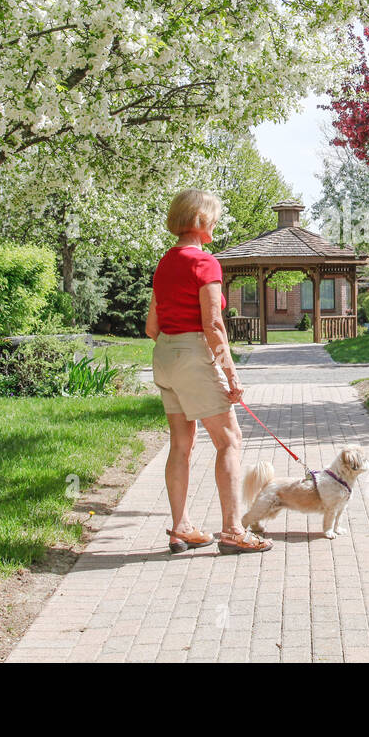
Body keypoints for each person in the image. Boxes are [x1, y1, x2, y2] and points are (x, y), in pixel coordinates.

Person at [146, 188, 272, 554]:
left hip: (165, 355)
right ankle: (233, 531)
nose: (215, 223)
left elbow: (151, 327)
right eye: (213, 217)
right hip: (192, 354)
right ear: (201, 221)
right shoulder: (205, 263)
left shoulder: (165, 263)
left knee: (181, 445)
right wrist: (231, 374)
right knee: (229, 440)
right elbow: (214, 324)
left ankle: (180, 527)